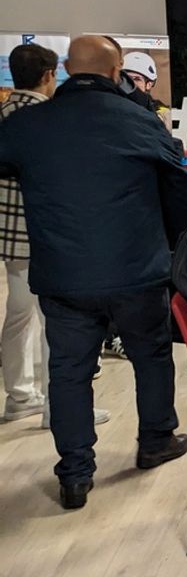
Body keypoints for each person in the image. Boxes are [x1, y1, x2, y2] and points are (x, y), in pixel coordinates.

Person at [0, 35, 187, 510]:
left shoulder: (28, 124)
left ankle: (75, 474)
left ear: (65, 69)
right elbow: (179, 184)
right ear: (116, 71)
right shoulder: (141, 120)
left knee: (68, 371)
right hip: (137, 267)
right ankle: (155, 441)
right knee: (150, 357)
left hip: (63, 271)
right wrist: (166, 242)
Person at [0, 44, 111, 428]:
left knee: (18, 316)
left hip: (12, 238)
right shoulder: (50, 119)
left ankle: (18, 397)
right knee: (60, 326)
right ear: (51, 74)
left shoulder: (3, 116)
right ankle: (57, 408)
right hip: (53, 236)